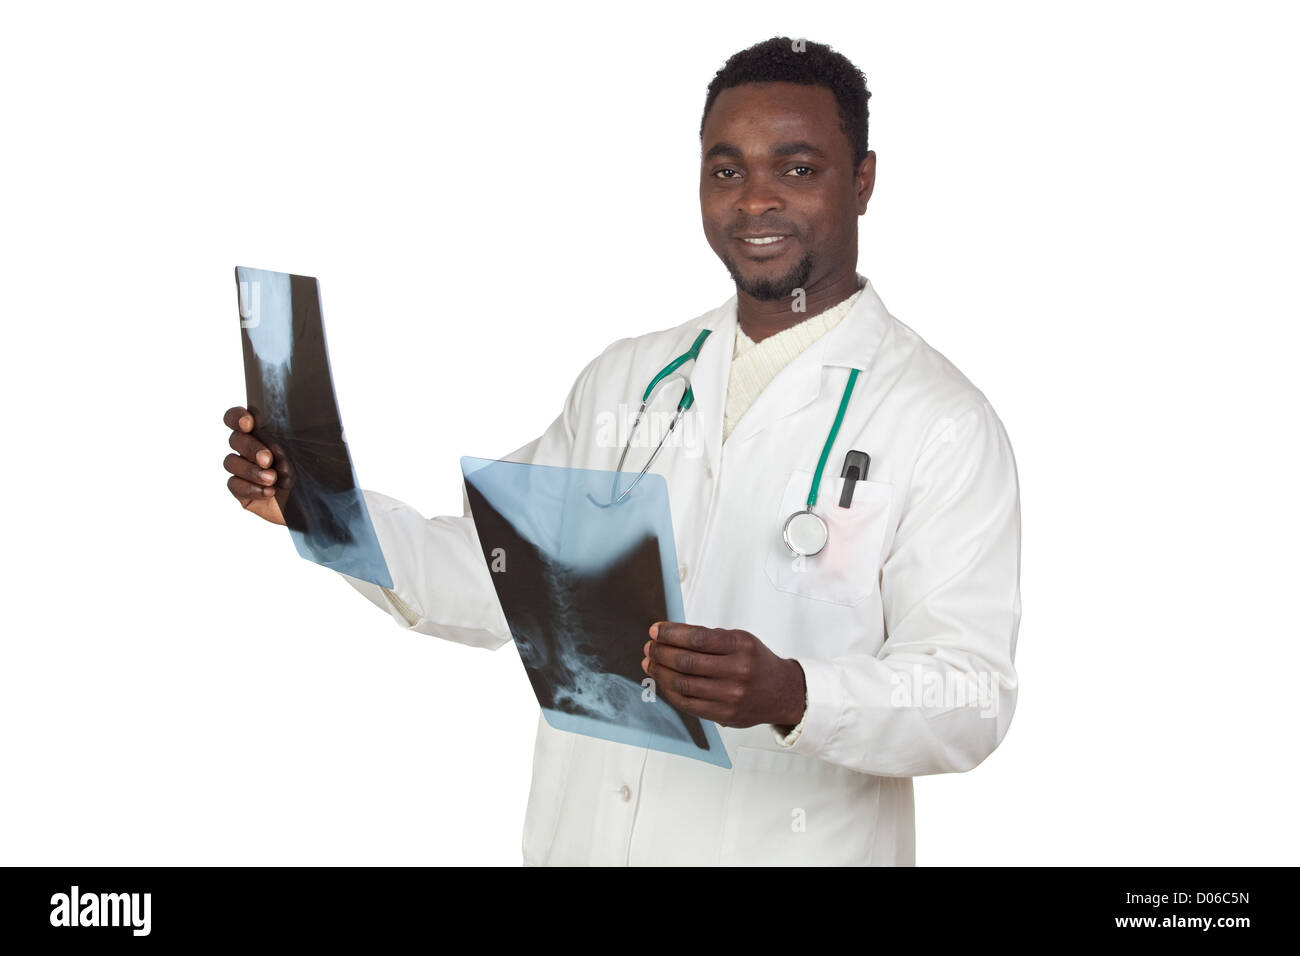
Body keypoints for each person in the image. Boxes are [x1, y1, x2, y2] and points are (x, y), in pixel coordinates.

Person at [222, 36, 1022, 866]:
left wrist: (797, 693)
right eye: (726, 170)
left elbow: (969, 695)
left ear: (862, 180)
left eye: (797, 169)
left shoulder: (941, 422)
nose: (754, 202)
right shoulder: (629, 382)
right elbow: (496, 574)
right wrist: (321, 508)